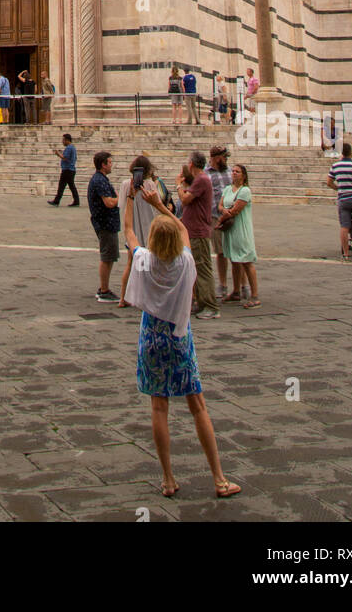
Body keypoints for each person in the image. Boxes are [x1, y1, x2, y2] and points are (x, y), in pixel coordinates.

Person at [124, 181, 241, 499]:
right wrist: (161, 206)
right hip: (179, 336)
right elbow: (184, 232)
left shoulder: (144, 261)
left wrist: (131, 199)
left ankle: (167, 479)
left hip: (151, 337)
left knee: (158, 407)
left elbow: (129, 234)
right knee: (198, 406)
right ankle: (218, 479)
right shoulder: (184, 261)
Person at [118, 156, 170, 306]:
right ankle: (147, 295)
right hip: (149, 226)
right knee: (151, 262)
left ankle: (123, 298)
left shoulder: (126, 184)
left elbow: (121, 205)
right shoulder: (151, 185)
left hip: (132, 226)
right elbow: (157, 205)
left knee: (130, 261)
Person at [175, 152, 219, 317]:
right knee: (196, 268)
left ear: (192, 164)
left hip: (197, 231)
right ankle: (202, 302)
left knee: (202, 269)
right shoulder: (201, 180)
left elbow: (185, 200)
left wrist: (179, 185)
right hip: (193, 230)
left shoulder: (201, 179)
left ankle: (210, 306)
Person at [217, 164, 261, 304]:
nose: (234, 173)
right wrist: (224, 211)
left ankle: (254, 295)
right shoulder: (228, 189)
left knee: (246, 261)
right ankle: (236, 291)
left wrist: (221, 217)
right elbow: (220, 205)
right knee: (234, 260)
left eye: (237, 171)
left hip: (241, 230)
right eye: (233, 171)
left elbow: (235, 210)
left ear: (243, 175)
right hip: (231, 230)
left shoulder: (245, 191)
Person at [88, 150, 121, 302]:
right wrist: (120, 198)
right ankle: (104, 289)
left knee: (109, 255)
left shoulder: (101, 179)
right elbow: (108, 202)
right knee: (107, 255)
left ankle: (104, 288)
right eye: (110, 162)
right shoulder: (99, 180)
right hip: (105, 222)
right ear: (103, 164)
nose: (111, 164)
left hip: (107, 222)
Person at [206, 146, 232, 299]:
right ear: (216, 158)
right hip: (215, 216)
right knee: (220, 252)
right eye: (224, 157)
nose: (226, 160)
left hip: (232, 215)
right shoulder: (206, 174)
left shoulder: (230, 172)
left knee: (236, 253)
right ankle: (222, 284)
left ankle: (241, 286)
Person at [48, 132, 80, 206]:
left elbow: (65, 158)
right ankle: (76, 201)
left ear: (67, 140)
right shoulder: (72, 148)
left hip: (67, 170)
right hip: (70, 169)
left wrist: (58, 154)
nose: (63, 142)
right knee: (71, 186)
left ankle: (57, 201)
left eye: (63, 140)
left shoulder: (69, 148)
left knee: (62, 185)